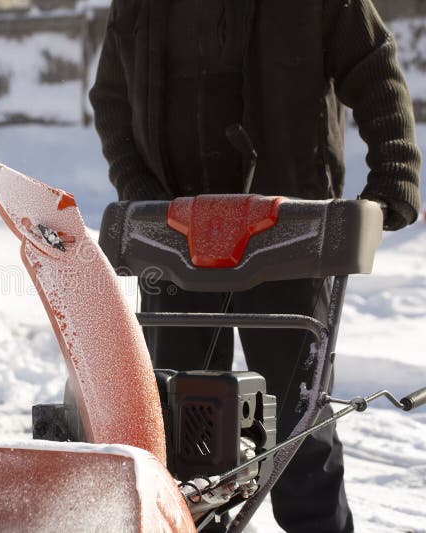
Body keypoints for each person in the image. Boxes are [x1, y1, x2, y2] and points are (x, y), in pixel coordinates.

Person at [89, 1, 421, 532]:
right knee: (181, 419)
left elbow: (374, 65)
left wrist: (396, 174)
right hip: (175, 234)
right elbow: (111, 99)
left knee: (297, 423)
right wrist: (141, 194)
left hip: (288, 231)